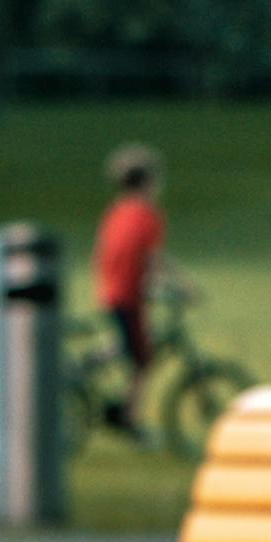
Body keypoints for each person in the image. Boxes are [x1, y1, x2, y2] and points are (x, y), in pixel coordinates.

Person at [90, 143, 168, 436]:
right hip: (130, 294)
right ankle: (130, 420)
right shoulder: (148, 215)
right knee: (143, 359)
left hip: (110, 290)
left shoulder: (117, 212)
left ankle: (92, 369)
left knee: (128, 347)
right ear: (148, 181)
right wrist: (169, 287)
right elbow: (151, 260)